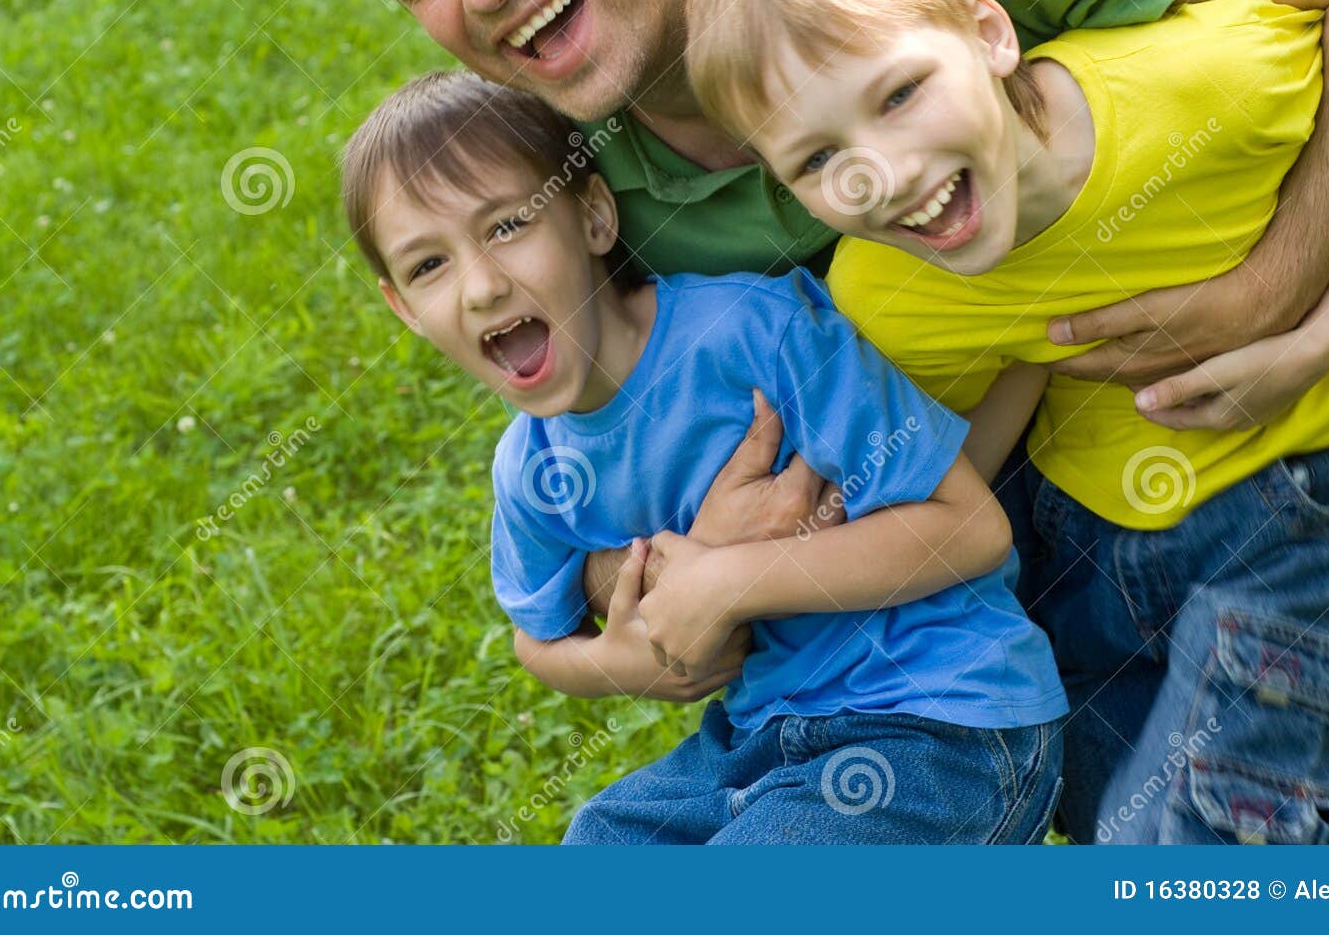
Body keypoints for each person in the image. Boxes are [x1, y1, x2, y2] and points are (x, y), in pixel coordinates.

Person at [315, 0, 1329, 839]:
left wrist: (1299, 271)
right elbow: (583, 423)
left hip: (1273, 442)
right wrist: (657, 582)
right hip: (952, 539)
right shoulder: (554, 155)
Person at [683, 0, 1329, 843]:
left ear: (989, 31)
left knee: (1220, 840)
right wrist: (718, 570)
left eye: (902, 93)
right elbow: (931, 473)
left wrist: (1320, 277)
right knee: (1119, 827)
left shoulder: (1211, 82)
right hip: (1097, 546)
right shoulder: (889, 289)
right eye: (820, 156)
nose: (885, 172)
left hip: (1311, 504)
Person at [340, 69, 1068, 843]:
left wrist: (729, 580)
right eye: (428, 265)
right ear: (403, 309)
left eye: (508, 226)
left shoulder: (751, 333)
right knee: (600, 839)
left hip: (936, 714)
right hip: (758, 738)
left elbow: (971, 529)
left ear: (591, 215)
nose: (481, 286)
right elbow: (537, 636)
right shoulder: (533, 468)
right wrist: (618, 664)